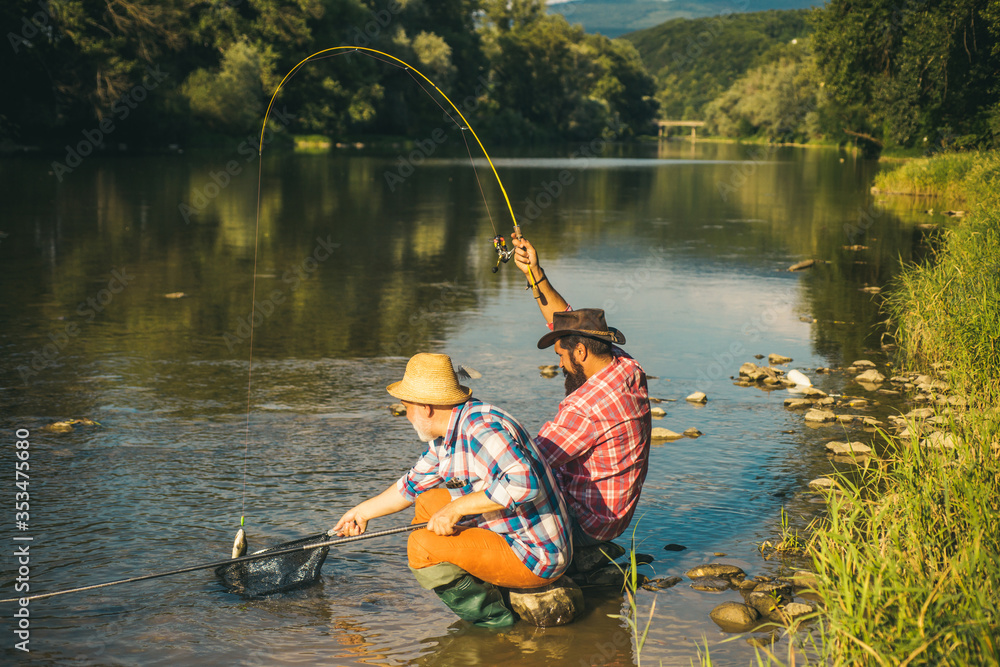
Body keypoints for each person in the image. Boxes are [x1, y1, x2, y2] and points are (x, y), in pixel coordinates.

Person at [333, 352, 571, 627]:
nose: (405, 414)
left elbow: (525, 484)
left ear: (425, 407)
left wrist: (456, 508)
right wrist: (360, 513)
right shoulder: (451, 430)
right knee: (427, 502)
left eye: (405, 406)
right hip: (510, 532)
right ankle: (483, 581)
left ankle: (495, 622)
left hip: (537, 555)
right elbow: (410, 486)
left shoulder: (480, 429)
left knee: (421, 546)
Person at [511, 234, 652, 550]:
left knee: (497, 494)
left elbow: (525, 466)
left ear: (580, 353)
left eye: (561, 355)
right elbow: (566, 321)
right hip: (616, 516)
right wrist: (535, 273)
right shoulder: (627, 368)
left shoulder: (585, 407)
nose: (560, 364)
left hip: (588, 525)